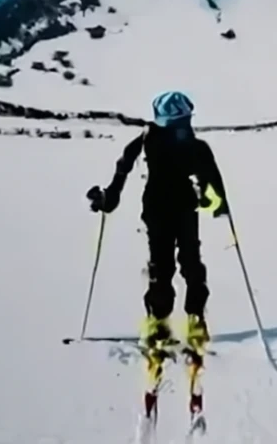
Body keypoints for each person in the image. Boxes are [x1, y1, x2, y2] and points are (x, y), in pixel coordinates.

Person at [86, 90, 228, 352]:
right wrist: (217, 204)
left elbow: (123, 169)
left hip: (157, 209)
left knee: (161, 266)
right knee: (191, 262)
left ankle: (159, 323)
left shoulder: (145, 140)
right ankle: (195, 320)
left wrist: (109, 199)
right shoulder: (195, 145)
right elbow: (211, 180)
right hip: (184, 208)